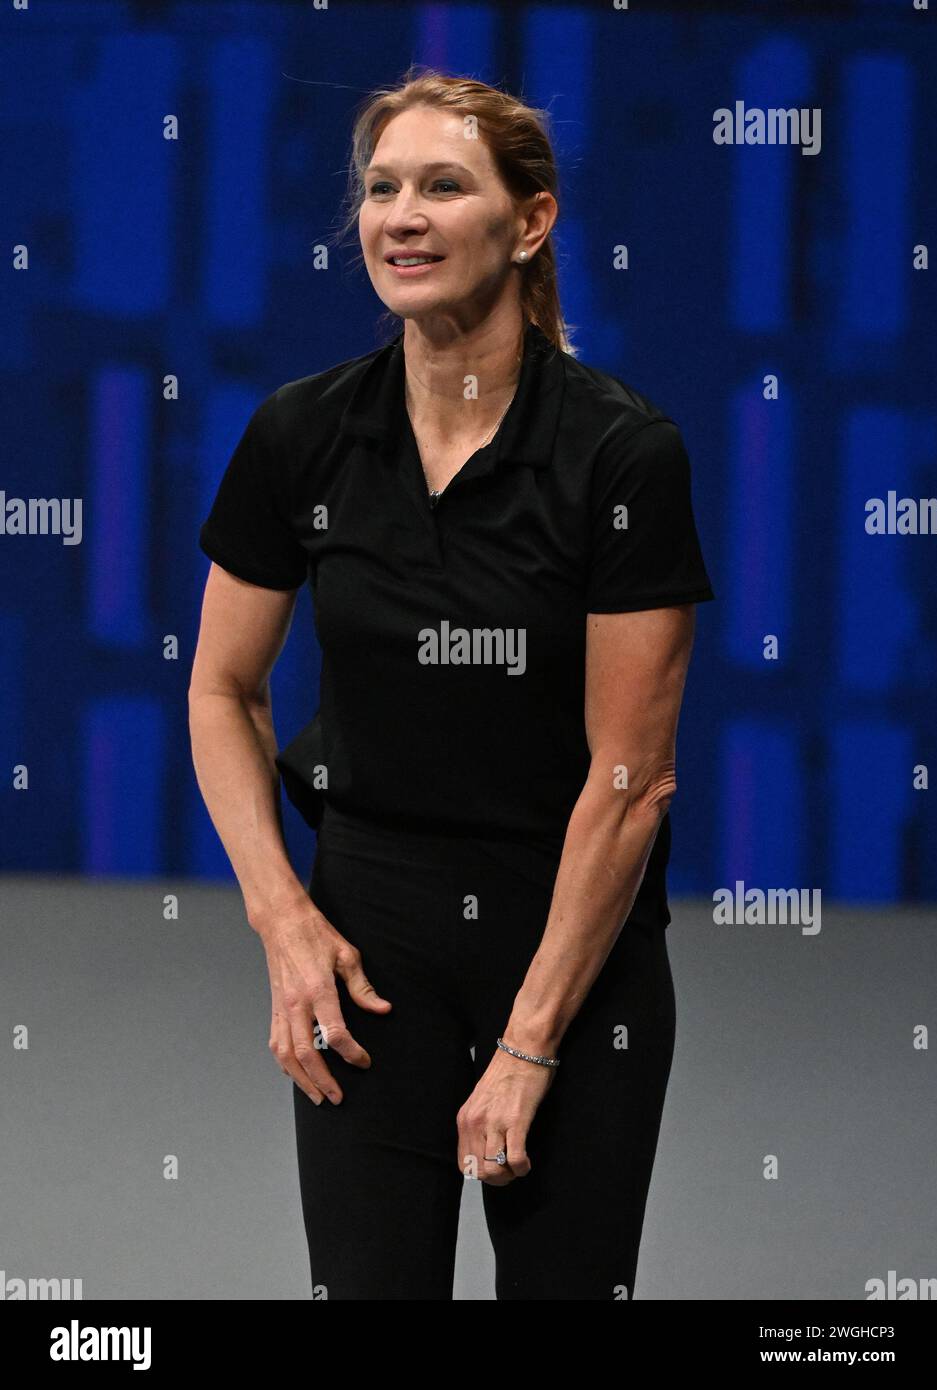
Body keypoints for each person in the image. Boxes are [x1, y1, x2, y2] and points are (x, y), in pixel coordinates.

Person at [189, 67, 715, 1300]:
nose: (400, 216)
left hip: (573, 945)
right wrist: (284, 923)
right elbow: (222, 690)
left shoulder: (621, 453)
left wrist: (534, 1039)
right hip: (367, 950)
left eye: (442, 185)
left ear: (529, 223)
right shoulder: (299, 433)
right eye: (380, 189)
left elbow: (632, 783)